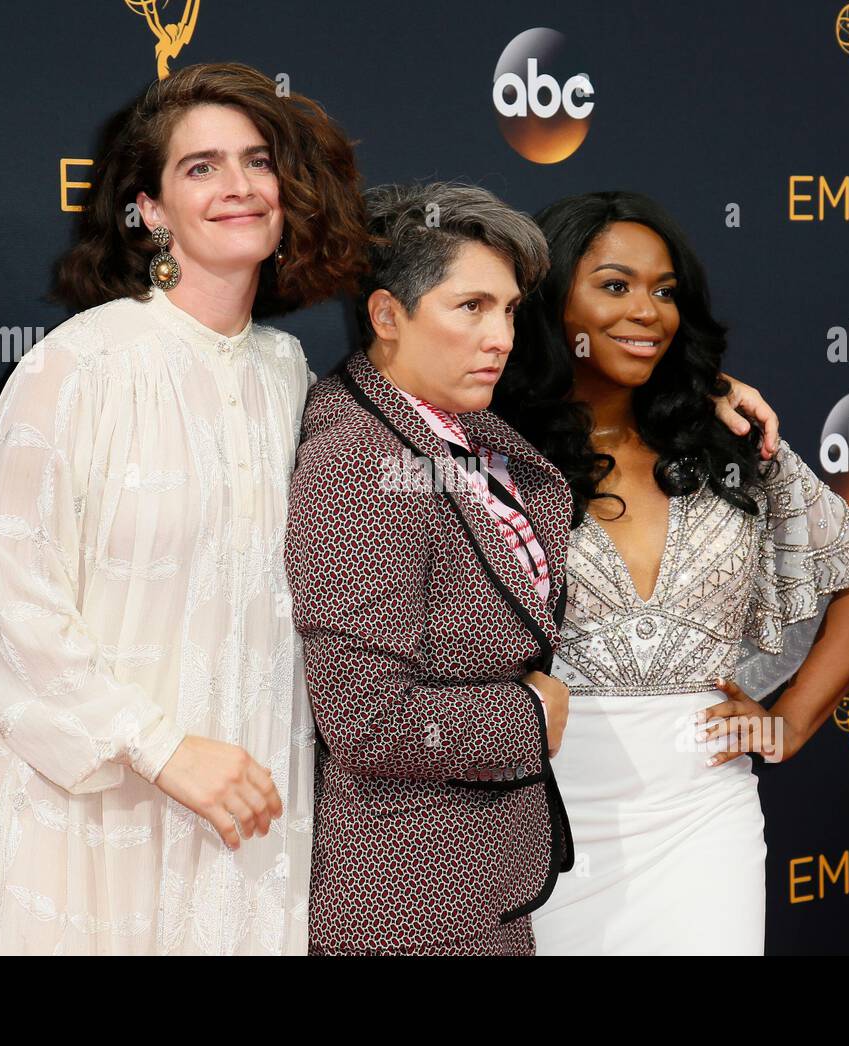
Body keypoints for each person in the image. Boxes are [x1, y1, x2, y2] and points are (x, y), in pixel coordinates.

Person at [284, 181, 784, 956]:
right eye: (471, 308)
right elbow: (366, 717)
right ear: (387, 315)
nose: (501, 337)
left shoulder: (462, 425)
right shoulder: (360, 457)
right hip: (411, 899)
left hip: (498, 878)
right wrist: (527, 714)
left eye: (511, 310)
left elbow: (570, 407)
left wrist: (699, 387)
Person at [0, 62, 370, 955]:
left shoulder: (289, 375)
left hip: (249, 815)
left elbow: (450, 407)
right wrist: (163, 749)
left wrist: (695, 401)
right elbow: (2, 606)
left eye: (257, 162)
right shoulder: (80, 365)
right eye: (201, 167)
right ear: (149, 211)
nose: (240, 186)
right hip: (94, 813)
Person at [492, 190, 849, 955]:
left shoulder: (731, 450)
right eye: (615, 286)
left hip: (701, 816)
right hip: (539, 811)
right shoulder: (491, 452)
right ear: (552, 301)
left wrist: (786, 724)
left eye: (665, 291)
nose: (648, 310)